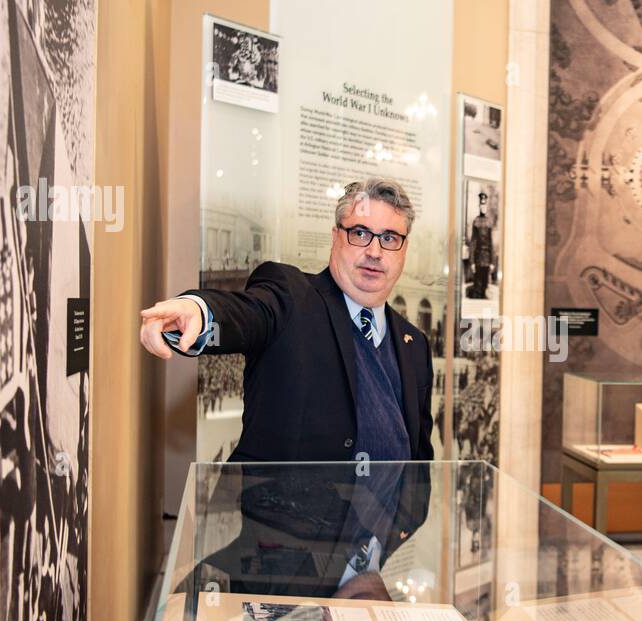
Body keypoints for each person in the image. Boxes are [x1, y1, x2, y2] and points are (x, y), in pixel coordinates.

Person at [139, 177, 433, 462]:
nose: (374, 251)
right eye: (359, 233)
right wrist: (200, 312)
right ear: (335, 238)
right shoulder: (292, 297)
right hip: (287, 510)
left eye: (389, 238)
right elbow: (247, 312)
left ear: (404, 249)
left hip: (390, 514)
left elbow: (419, 455)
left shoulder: (415, 344)